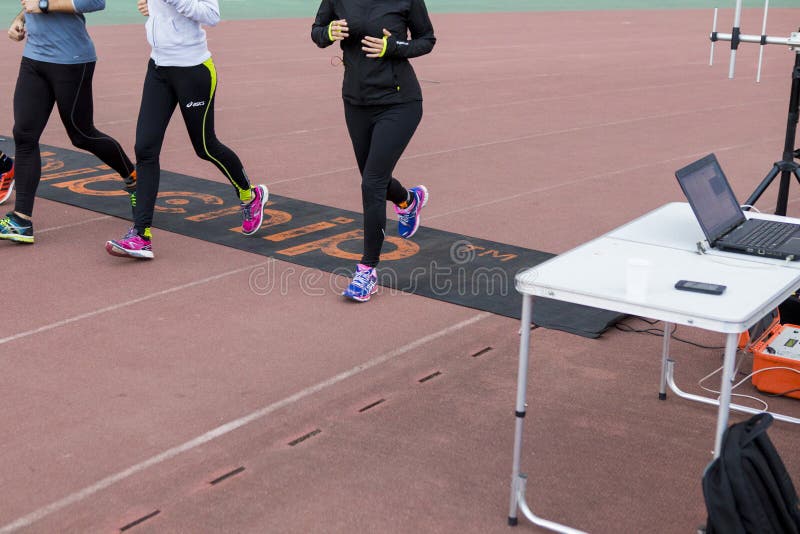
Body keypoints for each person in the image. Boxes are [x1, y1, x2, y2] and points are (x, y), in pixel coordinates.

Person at [105, 0, 268, 260]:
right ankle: (141, 235)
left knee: (205, 146)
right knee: (145, 148)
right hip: (158, 68)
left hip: (193, 70)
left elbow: (211, 15)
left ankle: (249, 194)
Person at [311, 0, 436, 302]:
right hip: (356, 102)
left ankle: (367, 270)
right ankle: (408, 200)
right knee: (372, 177)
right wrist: (328, 31)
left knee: (372, 183)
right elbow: (317, 32)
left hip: (400, 103)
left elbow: (426, 39)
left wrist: (393, 46)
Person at [1, 0, 137, 245]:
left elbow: (94, 2)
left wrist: (43, 5)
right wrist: (20, 19)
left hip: (71, 60)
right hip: (34, 59)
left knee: (81, 134)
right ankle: (21, 220)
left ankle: (132, 175)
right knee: (24, 134)